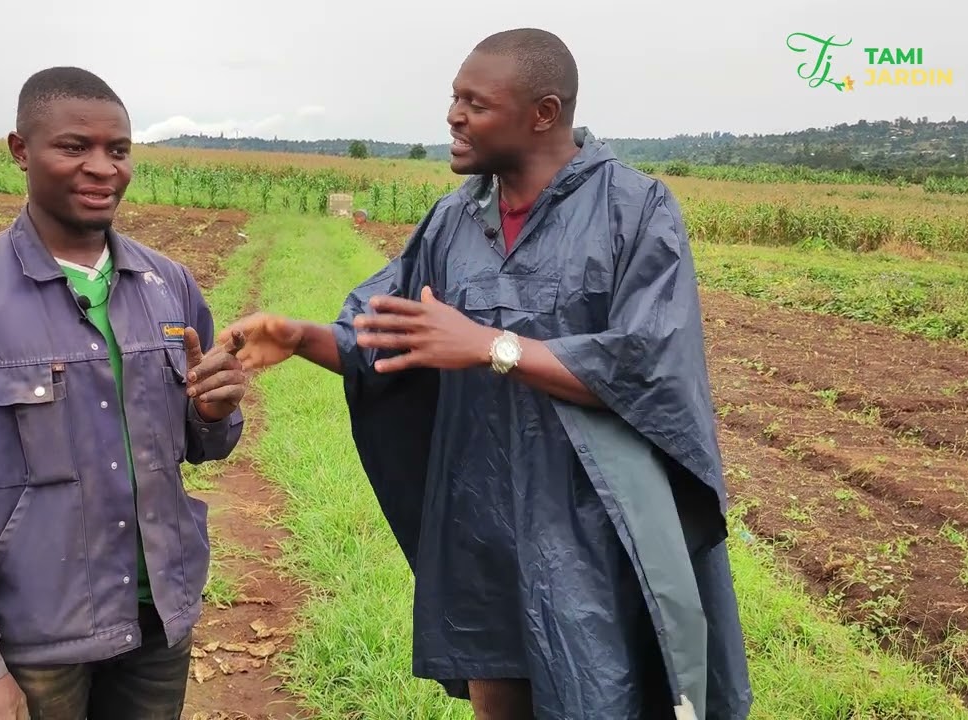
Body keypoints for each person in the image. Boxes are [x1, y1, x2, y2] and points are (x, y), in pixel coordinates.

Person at [220, 29, 753, 720]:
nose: (454, 116)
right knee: (496, 690)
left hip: (590, 526)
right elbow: (385, 338)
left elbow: (648, 366)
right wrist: (298, 337)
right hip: (479, 517)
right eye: (453, 98)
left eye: (476, 102)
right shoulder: (455, 220)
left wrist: (491, 346)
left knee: (600, 688)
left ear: (543, 113)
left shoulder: (634, 211)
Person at [0, 66, 247, 720]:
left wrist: (211, 413)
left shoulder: (167, 285)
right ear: (20, 150)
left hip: (156, 619)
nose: (101, 168)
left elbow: (205, 442)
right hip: (39, 634)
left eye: (117, 151)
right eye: (73, 147)